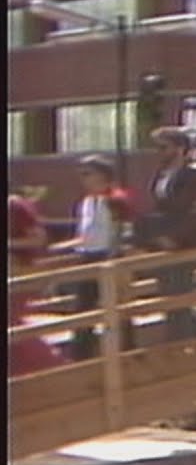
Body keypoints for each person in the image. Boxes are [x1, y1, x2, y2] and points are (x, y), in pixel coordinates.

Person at [50, 156, 138, 359]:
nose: (83, 179)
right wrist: (62, 248)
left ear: (102, 176)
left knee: (118, 306)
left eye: (88, 174)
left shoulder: (116, 200)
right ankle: (81, 354)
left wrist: (117, 257)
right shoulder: (86, 202)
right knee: (84, 306)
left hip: (109, 256)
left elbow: (124, 230)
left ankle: (128, 350)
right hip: (88, 256)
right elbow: (85, 235)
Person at [137, 126, 196, 342]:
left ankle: (183, 342)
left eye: (164, 147)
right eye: (157, 148)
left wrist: (176, 237)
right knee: (168, 293)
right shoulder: (161, 176)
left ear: (181, 149)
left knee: (180, 293)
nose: (159, 152)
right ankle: (193, 339)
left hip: (185, 241)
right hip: (161, 242)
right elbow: (159, 209)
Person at [8, 191, 68, 376]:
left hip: (18, 270)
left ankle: (50, 365)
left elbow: (38, 238)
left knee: (12, 320)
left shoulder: (15, 206)